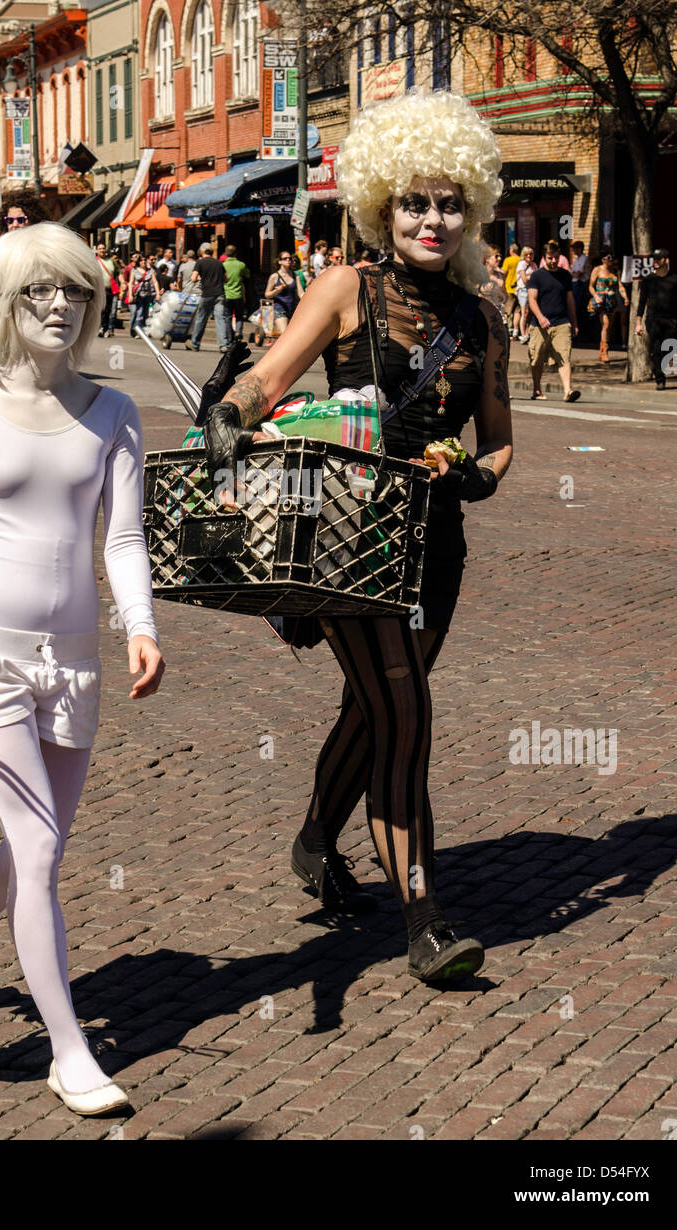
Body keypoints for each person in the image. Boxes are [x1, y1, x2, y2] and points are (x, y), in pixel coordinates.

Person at [203, 90, 512, 985]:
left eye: (450, 202)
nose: (432, 219)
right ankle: (425, 921)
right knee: (404, 712)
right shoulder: (346, 287)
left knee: (373, 710)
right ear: (383, 204)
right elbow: (265, 377)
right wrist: (228, 418)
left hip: (435, 543)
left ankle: (312, 841)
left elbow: (499, 443)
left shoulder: (481, 319)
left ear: (471, 209)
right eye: (414, 202)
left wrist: (472, 475)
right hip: (349, 534)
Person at [0, 222, 164, 1115]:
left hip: (78, 659)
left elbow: (123, 536)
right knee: (41, 846)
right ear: (2, 304)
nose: (60, 307)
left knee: (35, 843)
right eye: (37, 292)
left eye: (77, 292)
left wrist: (143, 624)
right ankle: (70, 1051)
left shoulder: (114, 411)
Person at [526, 240, 580, 401]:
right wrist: (541, 317)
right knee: (536, 359)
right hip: (539, 325)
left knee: (564, 356)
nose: (554, 261)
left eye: (556, 258)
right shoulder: (537, 276)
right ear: (544, 258)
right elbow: (532, 299)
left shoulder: (565, 276)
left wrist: (574, 323)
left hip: (561, 322)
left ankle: (568, 391)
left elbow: (570, 301)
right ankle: (537, 390)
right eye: (550, 258)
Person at [637, 248, 677, 390]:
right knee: (657, 348)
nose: (656, 262)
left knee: (670, 347)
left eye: (659, 259)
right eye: (654, 259)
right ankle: (660, 379)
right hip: (653, 319)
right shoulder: (648, 280)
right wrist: (638, 323)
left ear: (666, 260)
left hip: (671, 319)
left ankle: (657, 365)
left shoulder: (675, 279)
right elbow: (642, 303)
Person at [588, 252, 629, 363]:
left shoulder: (615, 271)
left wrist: (625, 298)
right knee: (605, 324)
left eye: (612, 257)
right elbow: (591, 286)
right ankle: (604, 352)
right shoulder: (597, 270)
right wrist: (596, 296)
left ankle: (603, 350)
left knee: (608, 327)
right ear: (603, 259)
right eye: (608, 257)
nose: (611, 260)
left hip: (612, 301)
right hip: (601, 301)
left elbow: (620, 287)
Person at [185, 243, 225, 352]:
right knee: (220, 319)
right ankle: (223, 345)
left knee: (201, 318)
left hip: (207, 294)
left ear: (203, 252)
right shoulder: (219, 263)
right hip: (220, 294)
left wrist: (201, 278)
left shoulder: (200, 262)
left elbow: (193, 278)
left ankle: (195, 343)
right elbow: (226, 279)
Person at [262, 250, 304, 335]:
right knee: (285, 334)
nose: (288, 260)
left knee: (295, 335)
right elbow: (267, 295)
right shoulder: (274, 276)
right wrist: (276, 291)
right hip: (279, 309)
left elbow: (301, 293)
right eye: (285, 258)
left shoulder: (295, 275)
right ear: (280, 261)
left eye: (290, 258)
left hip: (293, 310)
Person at [220, 243, 250, 351]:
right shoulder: (241, 264)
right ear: (236, 253)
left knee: (227, 318)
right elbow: (248, 275)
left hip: (227, 295)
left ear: (226, 253)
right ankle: (238, 332)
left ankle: (229, 339)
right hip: (238, 295)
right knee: (239, 316)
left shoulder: (223, 265)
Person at [127, 253, 161, 336]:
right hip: (138, 295)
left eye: (145, 260)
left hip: (148, 294)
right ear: (138, 262)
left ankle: (143, 329)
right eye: (141, 260)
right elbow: (131, 283)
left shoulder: (150, 271)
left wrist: (157, 293)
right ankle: (138, 331)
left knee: (146, 313)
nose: (144, 262)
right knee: (139, 312)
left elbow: (155, 282)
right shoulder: (134, 270)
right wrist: (130, 295)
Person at [95, 241, 121, 339]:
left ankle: (105, 328)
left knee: (108, 310)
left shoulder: (111, 261)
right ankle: (100, 327)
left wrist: (123, 283)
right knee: (100, 309)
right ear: (97, 250)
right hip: (98, 289)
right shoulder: (94, 261)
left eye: (103, 248)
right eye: (100, 248)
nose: (102, 250)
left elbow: (119, 273)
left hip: (110, 290)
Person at [515, 246, 535, 342]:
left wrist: (530, 277)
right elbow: (524, 279)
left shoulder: (534, 265)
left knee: (530, 313)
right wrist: (531, 277)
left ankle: (527, 333)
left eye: (531, 254)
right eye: (527, 254)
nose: (529, 256)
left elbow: (537, 278)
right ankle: (522, 334)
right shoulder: (521, 264)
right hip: (523, 290)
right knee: (524, 312)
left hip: (532, 290)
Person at [501, 243, 521, 337]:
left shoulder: (508, 260)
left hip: (509, 288)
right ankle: (516, 331)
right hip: (519, 289)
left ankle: (509, 329)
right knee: (517, 311)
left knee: (507, 311)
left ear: (511, 250)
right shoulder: (521, 259)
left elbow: (503, 273)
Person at [569, 239, 590, 317]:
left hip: (581, 284)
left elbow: (578, 274)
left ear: (579, 249)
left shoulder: (584, 258)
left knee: (579, 306)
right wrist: (573, 274)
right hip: (574, 284)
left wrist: (574, 274)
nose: (573, 250)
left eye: (574, 248)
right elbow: (572, 273)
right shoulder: (576, 259)